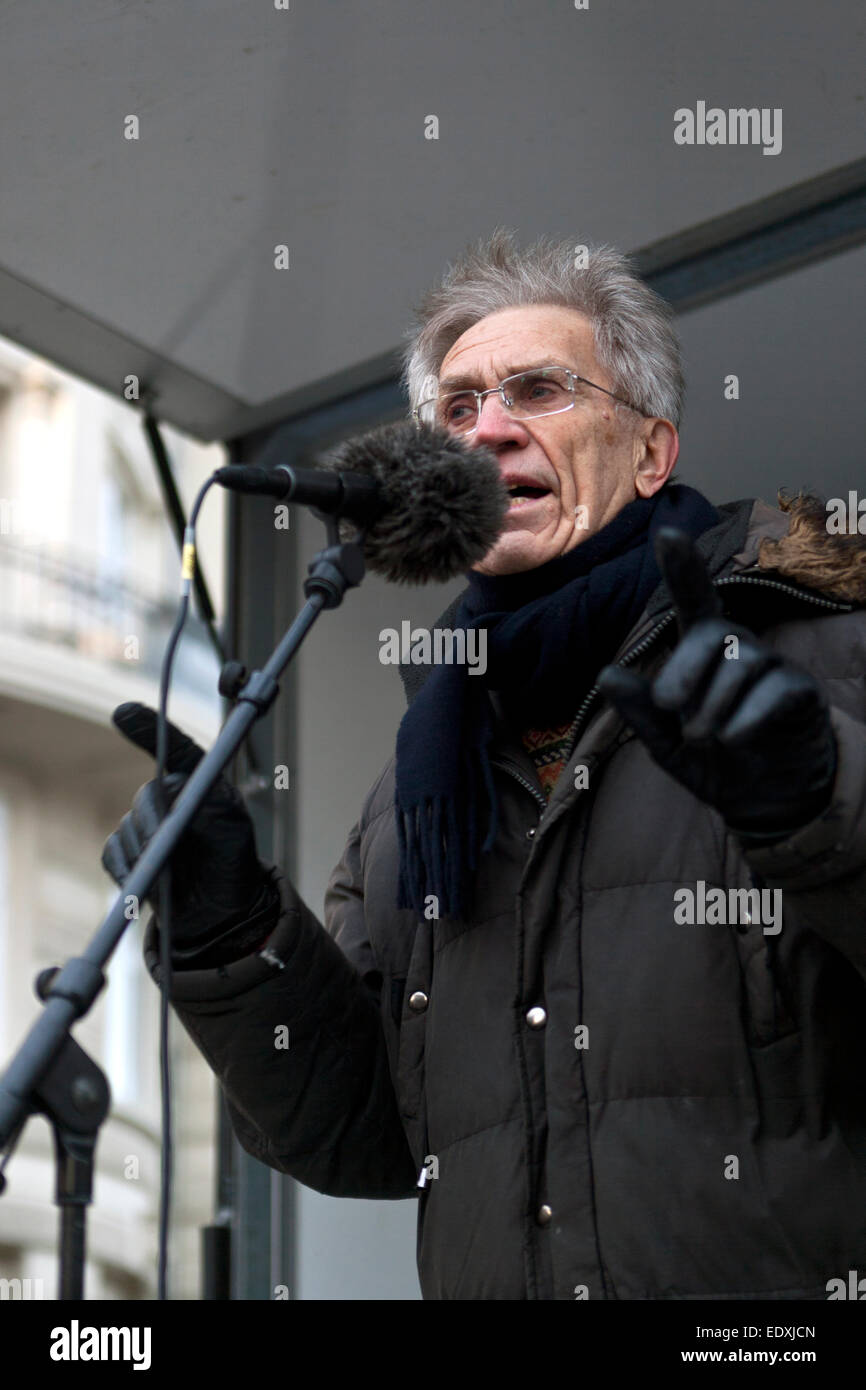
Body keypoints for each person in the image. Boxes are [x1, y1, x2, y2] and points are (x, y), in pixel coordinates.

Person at [103, 230, 866, 1300]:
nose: (488, 430)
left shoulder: (827, 640)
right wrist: (233, 940)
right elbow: (363, 1136)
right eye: (455, 411)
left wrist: (820, 808)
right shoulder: (422, 774)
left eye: (537, 391)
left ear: (650, 451)